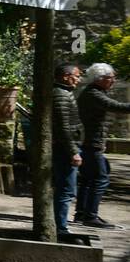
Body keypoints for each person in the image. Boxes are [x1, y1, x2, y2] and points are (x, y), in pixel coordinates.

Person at [75, 62, 130, 228]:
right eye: (111, 78)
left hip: (90, 142)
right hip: (92, 143)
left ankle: (82, 213)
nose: (113, 81)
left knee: (88, 179)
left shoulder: (93, 92)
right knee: (100, 178)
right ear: (100, 79)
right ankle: (90, 216)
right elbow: (117, 106)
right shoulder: (94, 94)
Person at [52, 62, 83, 235]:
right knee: (66, 189)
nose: (79, 79)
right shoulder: (61, 95)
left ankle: (61, 225)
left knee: (67, 188)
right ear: (66, 76)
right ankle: (61, 227)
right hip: (64, 150)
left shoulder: (64, 93)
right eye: (76, 76)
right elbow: (63, 127)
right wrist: (73, 151)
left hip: (67, 147)